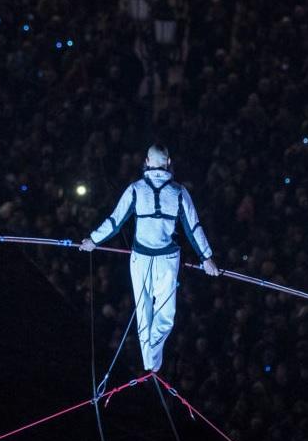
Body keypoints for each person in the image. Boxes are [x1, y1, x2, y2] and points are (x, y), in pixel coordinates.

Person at [81, 144, 220, 372]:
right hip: (165, 261)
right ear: (168, 162)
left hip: (143, 259)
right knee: (165, 315)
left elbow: (115, 221)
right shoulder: (178, 191)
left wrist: (93, 241)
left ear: (146, 161)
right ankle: (151, 363)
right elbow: (193, 228)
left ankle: (150, 363)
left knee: (144, 313)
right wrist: (206, 258)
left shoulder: (136, 189)